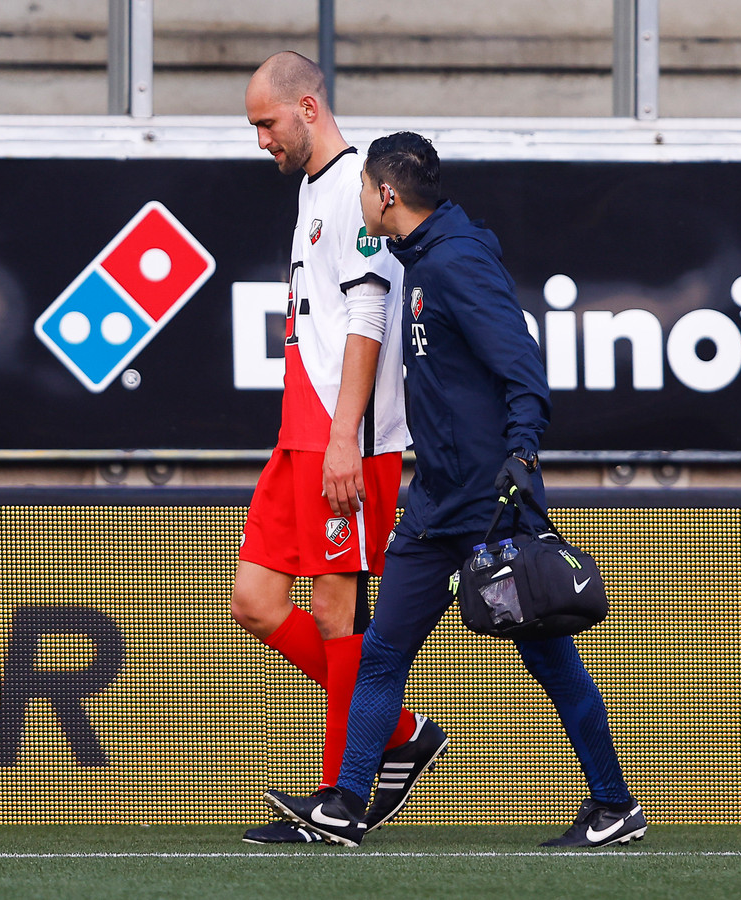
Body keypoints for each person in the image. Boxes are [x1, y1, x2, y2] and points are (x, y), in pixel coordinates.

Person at [263, 131, 647, 849]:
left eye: (364, 193)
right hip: (434, 501)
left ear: (385, 196)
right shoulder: (422, 260)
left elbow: (523, 370)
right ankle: (347, 803)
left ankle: (613, 803)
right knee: (381, 653)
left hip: (491, 508)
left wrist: (522, 459)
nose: (360, 206)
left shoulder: (459, 261)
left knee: (550, 658)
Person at [234, 55, 449, 845]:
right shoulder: (315, 189)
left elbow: (369, 315)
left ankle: (338, 800)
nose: (261, 140)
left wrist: (343, 441)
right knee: (254, 602)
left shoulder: (358, 186)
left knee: (336, 617)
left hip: (342, 440)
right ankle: (399, 730)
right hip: (301, 434)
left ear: (309, 107)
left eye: (268, 123)